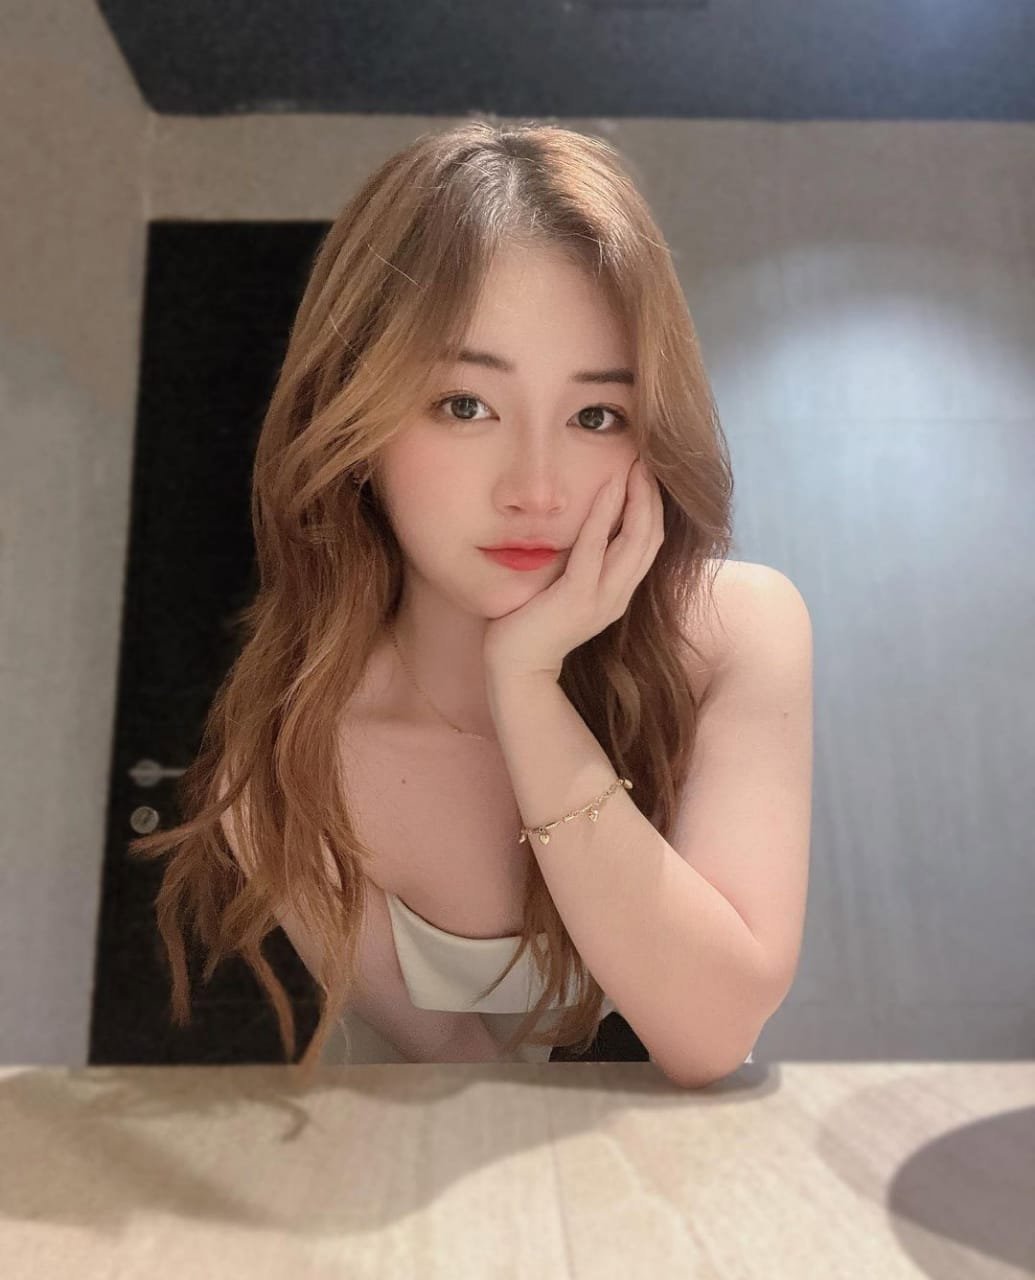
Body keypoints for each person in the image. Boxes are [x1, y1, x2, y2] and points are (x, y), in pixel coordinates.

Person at [129, 119, 745, 1082]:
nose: (535, 489)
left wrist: (527, 688)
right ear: (355, 423)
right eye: (465, 406)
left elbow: (709, 1033)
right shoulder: (294, 772)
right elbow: (473, 1090)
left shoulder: (734, 634)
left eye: (596, 415)